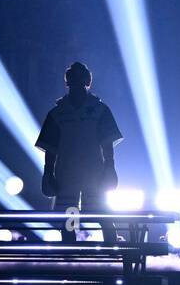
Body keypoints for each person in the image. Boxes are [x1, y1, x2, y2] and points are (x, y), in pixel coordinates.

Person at [34, 62, 123, 241]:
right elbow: (50, 147)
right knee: (69, 219)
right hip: (67, 174)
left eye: (80, 78)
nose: (77, 82)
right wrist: (48, 172)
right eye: (74, 78)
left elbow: (107, 143)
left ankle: (114, 253)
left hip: (93, 173)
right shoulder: (58, 113)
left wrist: (109, 167)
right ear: (69, 81)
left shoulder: (99, 110)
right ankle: (70, 259)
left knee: (102, 216)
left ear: (87, 81)